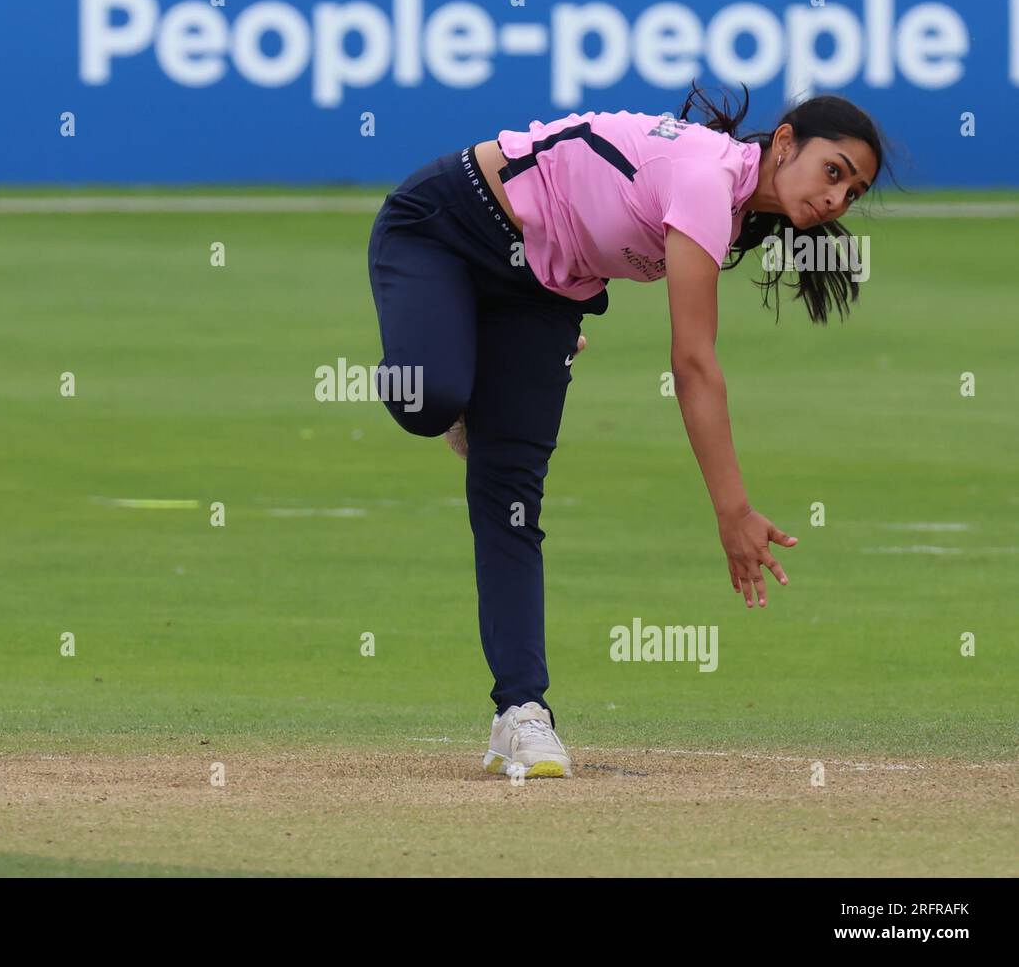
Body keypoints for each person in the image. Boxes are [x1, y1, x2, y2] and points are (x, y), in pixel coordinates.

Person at [365, 83, 888, 778]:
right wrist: (733, 510)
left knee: (511, 503)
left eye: (853, 192)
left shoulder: (731, 206)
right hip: (449, 222)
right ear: (785, 142)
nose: (836, 200)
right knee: (428, 397)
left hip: (543, 294)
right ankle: (454, 371)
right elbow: (693, 365)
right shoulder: (707, 180)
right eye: (834, 171)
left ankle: (522, 713)